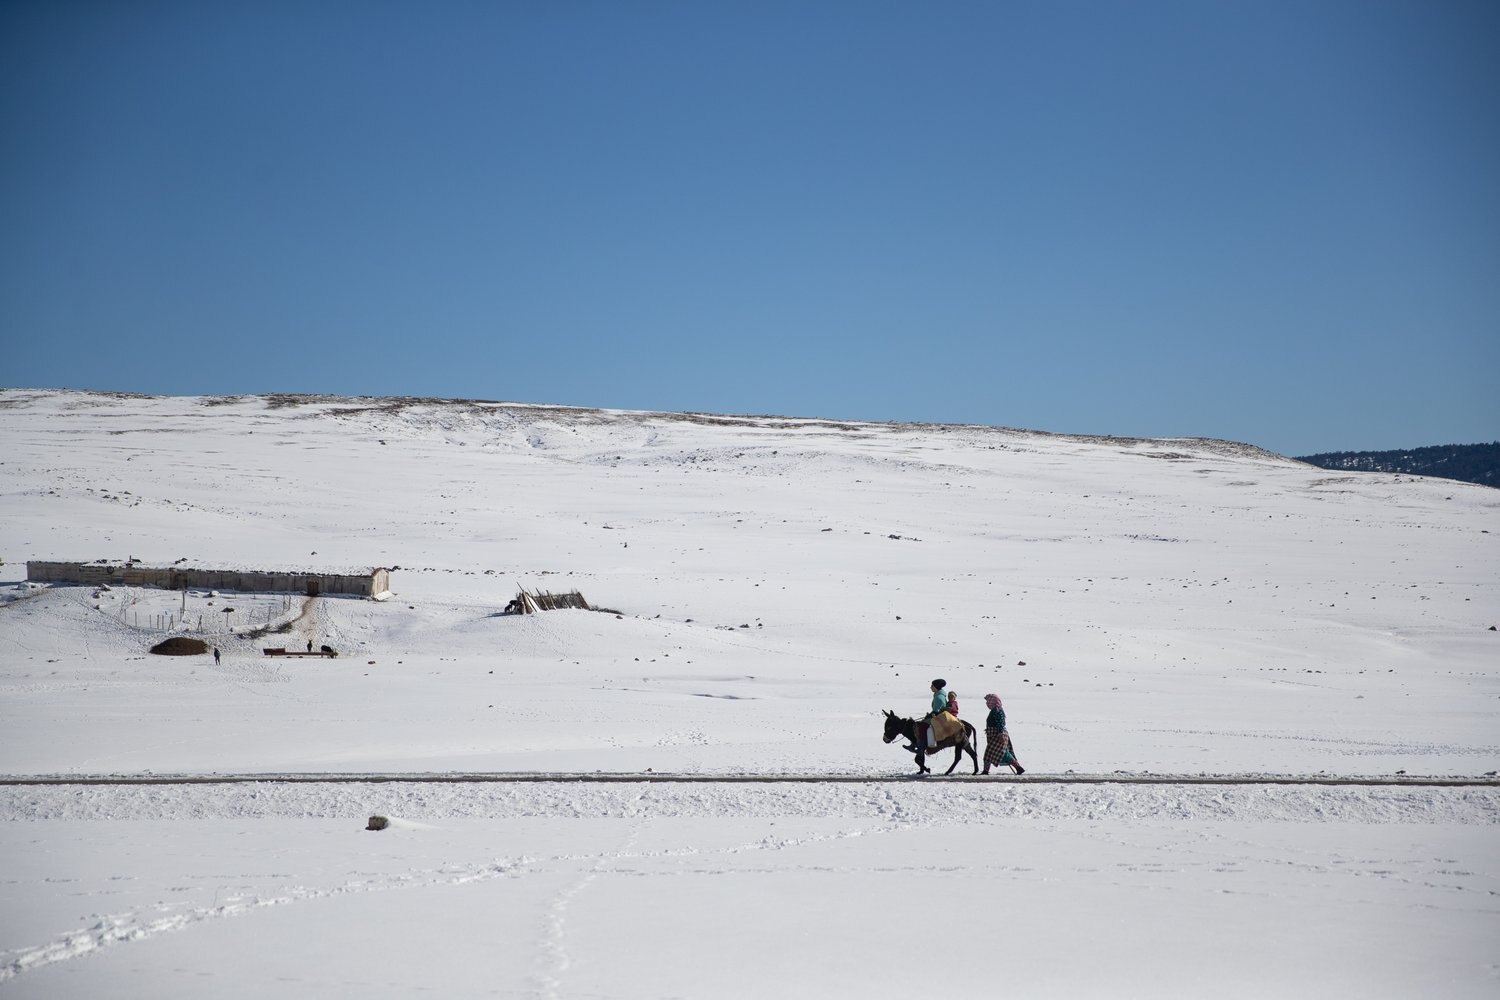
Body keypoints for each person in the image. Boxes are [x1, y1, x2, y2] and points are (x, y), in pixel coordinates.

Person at [981, 693, 1025, 775]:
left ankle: (1019, 768)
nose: (987, 703)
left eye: (988, 701)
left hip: (998, 735)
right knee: (994, 753)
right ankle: (985, 771)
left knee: (997, 753)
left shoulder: (996, 710)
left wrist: (1000, 733)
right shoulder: (996, 709)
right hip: (995, 735)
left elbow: (1000, 722)